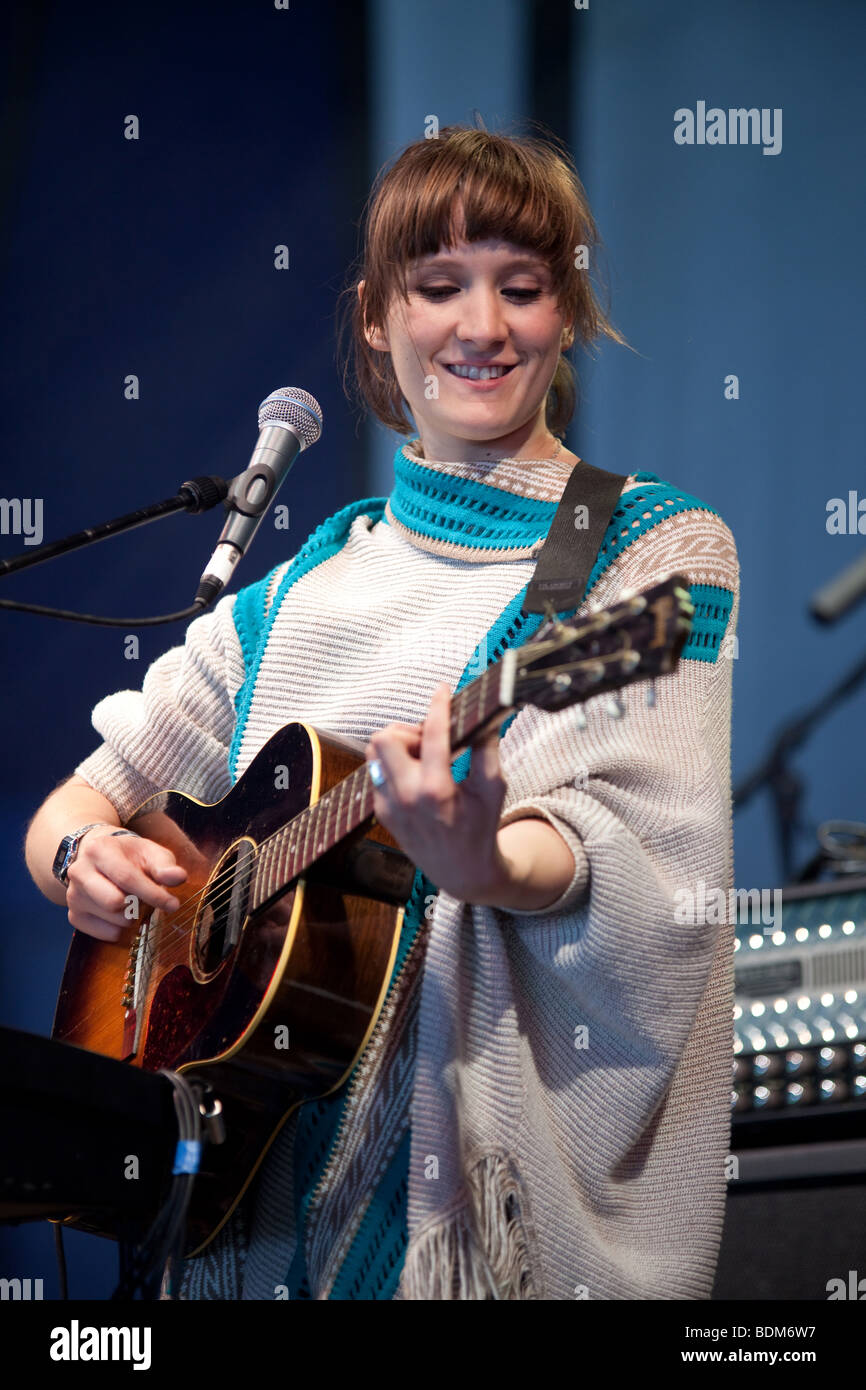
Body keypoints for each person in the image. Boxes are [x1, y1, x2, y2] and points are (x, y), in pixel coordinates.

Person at [25, 124, 740, 1300]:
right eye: (438, 286)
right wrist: (78, 856)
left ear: (565, 311)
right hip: (236, 1203)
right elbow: (78, 802)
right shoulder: (310, 576)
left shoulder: (637, 547)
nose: (480, 326)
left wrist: (481, 860)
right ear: (373, 316)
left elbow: (647, 868)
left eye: (521, 287)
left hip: (444, 1214)